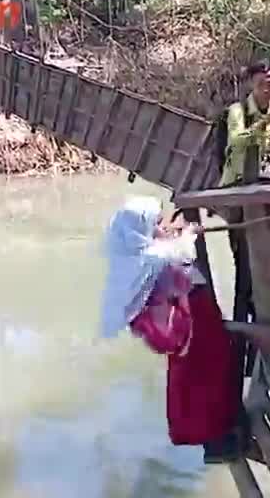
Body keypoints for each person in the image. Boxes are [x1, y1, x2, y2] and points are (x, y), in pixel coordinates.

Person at [98, 197, 241, 464]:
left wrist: (177, 235)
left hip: (189, 321)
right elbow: (179, 252)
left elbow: (170, 251)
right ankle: (216, 438)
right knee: (209, 375)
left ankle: (212, 436)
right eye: (157, 223)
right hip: (193, 321)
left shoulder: (138, 256)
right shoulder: (152, 257)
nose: (164, 226)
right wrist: (188, 233)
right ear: (141, 231)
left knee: (198, 377)